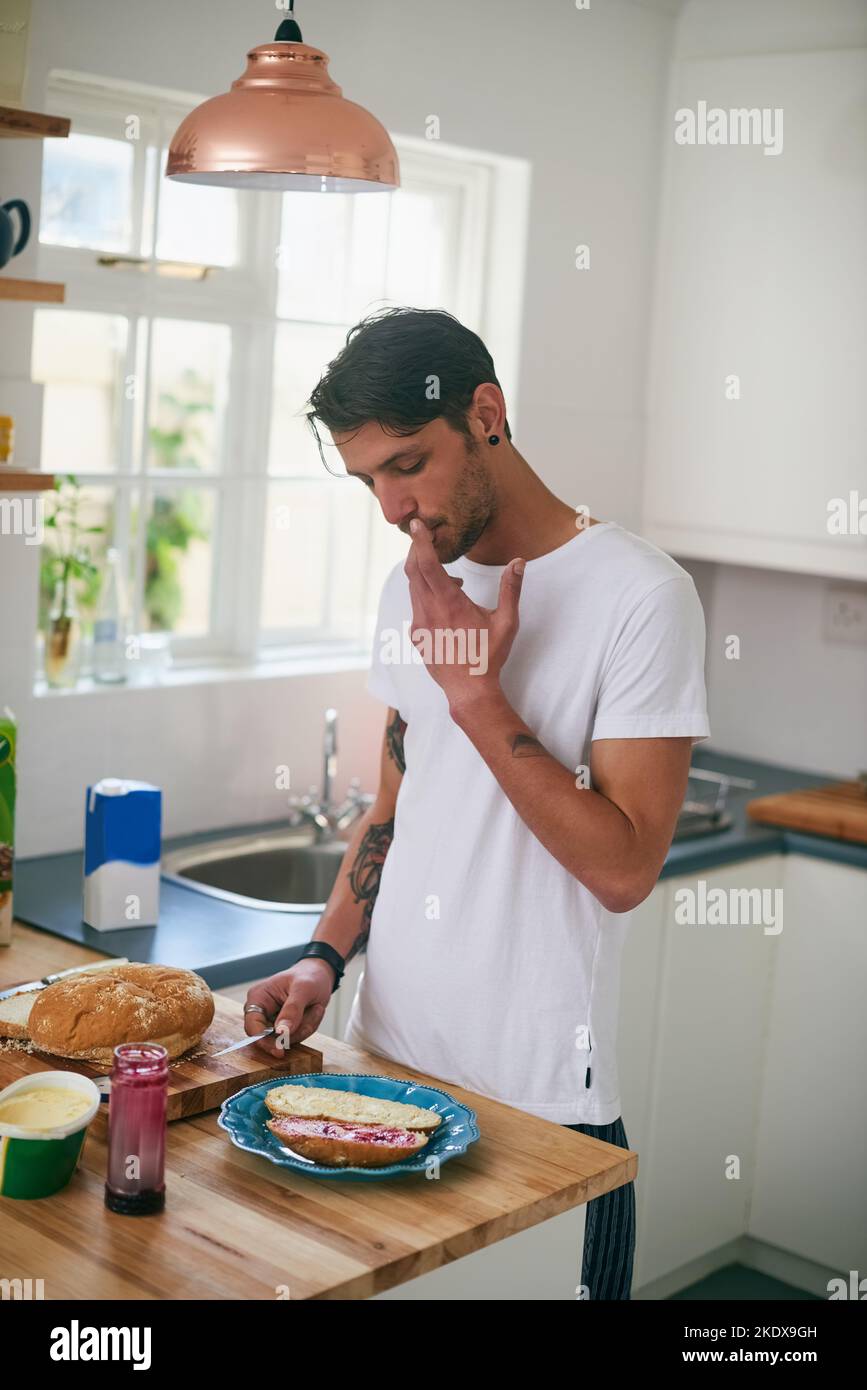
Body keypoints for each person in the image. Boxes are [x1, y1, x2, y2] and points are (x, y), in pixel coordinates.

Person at [244, 307, 711, 1300]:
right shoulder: (407, 586)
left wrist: (476, 695)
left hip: (541, 1108)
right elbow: (394, 803)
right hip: (386, 1070)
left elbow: (625, 866)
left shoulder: (640, 596)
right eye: (371, 478)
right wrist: (325, 954)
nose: (391, 505)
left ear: (486, 414)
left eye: (408, 463)